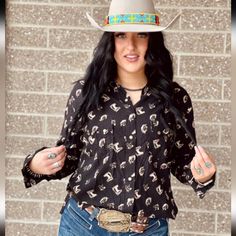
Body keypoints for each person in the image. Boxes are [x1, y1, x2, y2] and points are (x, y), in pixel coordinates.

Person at [22, 0, 217, 235]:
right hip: (83, 225)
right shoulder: (86, 92)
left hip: (148, 228)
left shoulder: (174, 98)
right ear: (110, 41)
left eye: (142, 35)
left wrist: (203, 176)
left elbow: (183, 160)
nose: (131, 46)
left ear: (152, 42)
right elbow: (69, 156)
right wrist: (36, 165)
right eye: (121, 35)